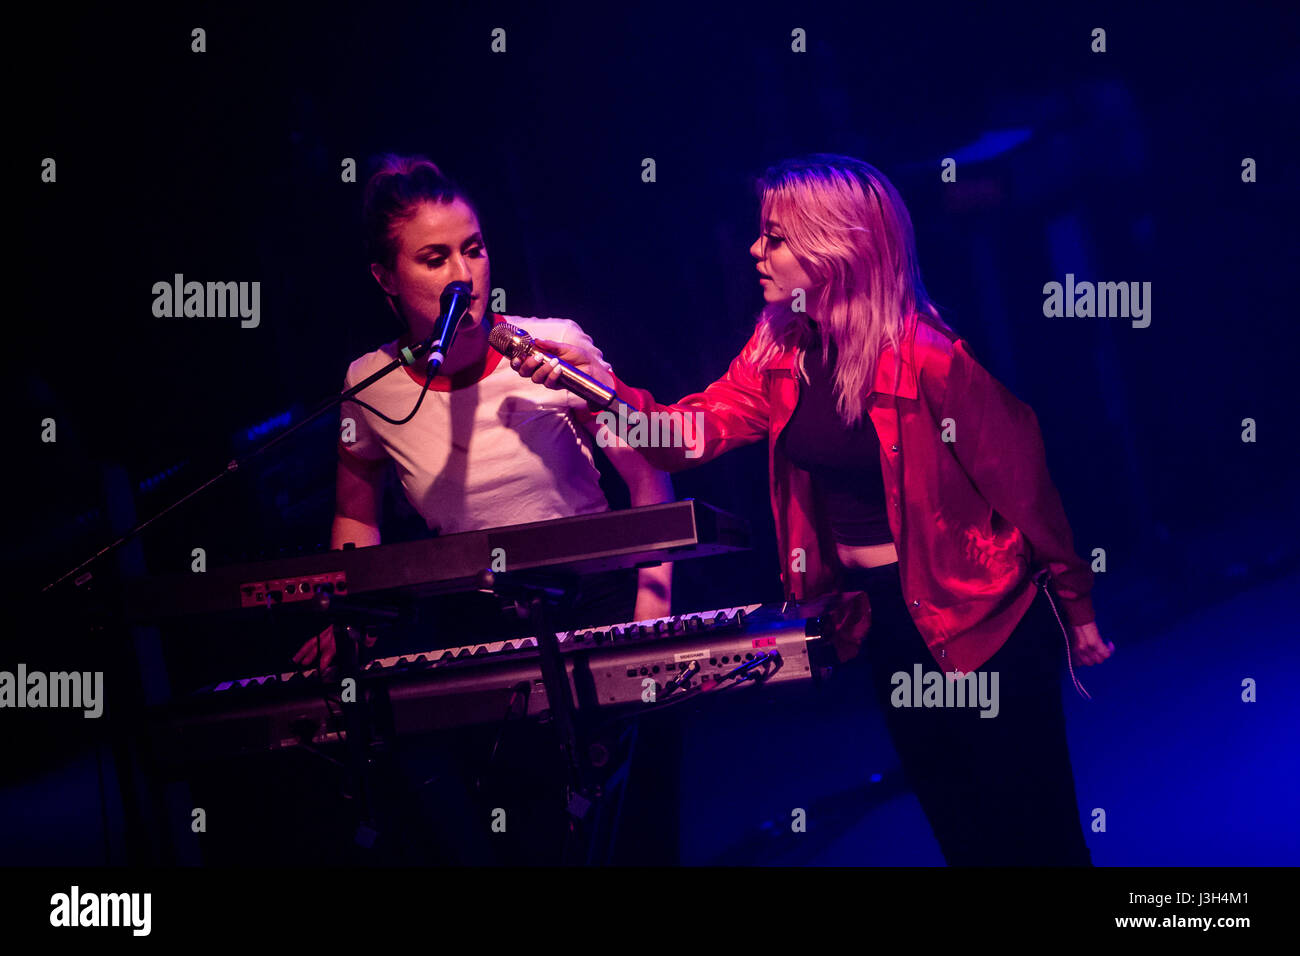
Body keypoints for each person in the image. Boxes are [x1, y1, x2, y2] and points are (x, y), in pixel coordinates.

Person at [511, 154, 1115, 866]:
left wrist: (1076, 608)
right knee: (963, 830)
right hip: (886, 619)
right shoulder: (779, 349)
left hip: (984, 615)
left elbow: (1025, 486)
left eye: (774, 238)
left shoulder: (929, 359)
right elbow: (684, 438)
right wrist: (592, 387)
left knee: (1036, 837)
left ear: (836, 248)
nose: (753, 251)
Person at [288, 154, 676, 864]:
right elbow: (357, 518)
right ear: (385, 278)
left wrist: (649, 624)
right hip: (480, 636)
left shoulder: (554, 346)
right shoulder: (367, 385)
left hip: (601, 611)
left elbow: (652, 482)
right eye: (434, 258)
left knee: (631, 845)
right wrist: (351, 618)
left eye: (475, 248)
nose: (463, 275)